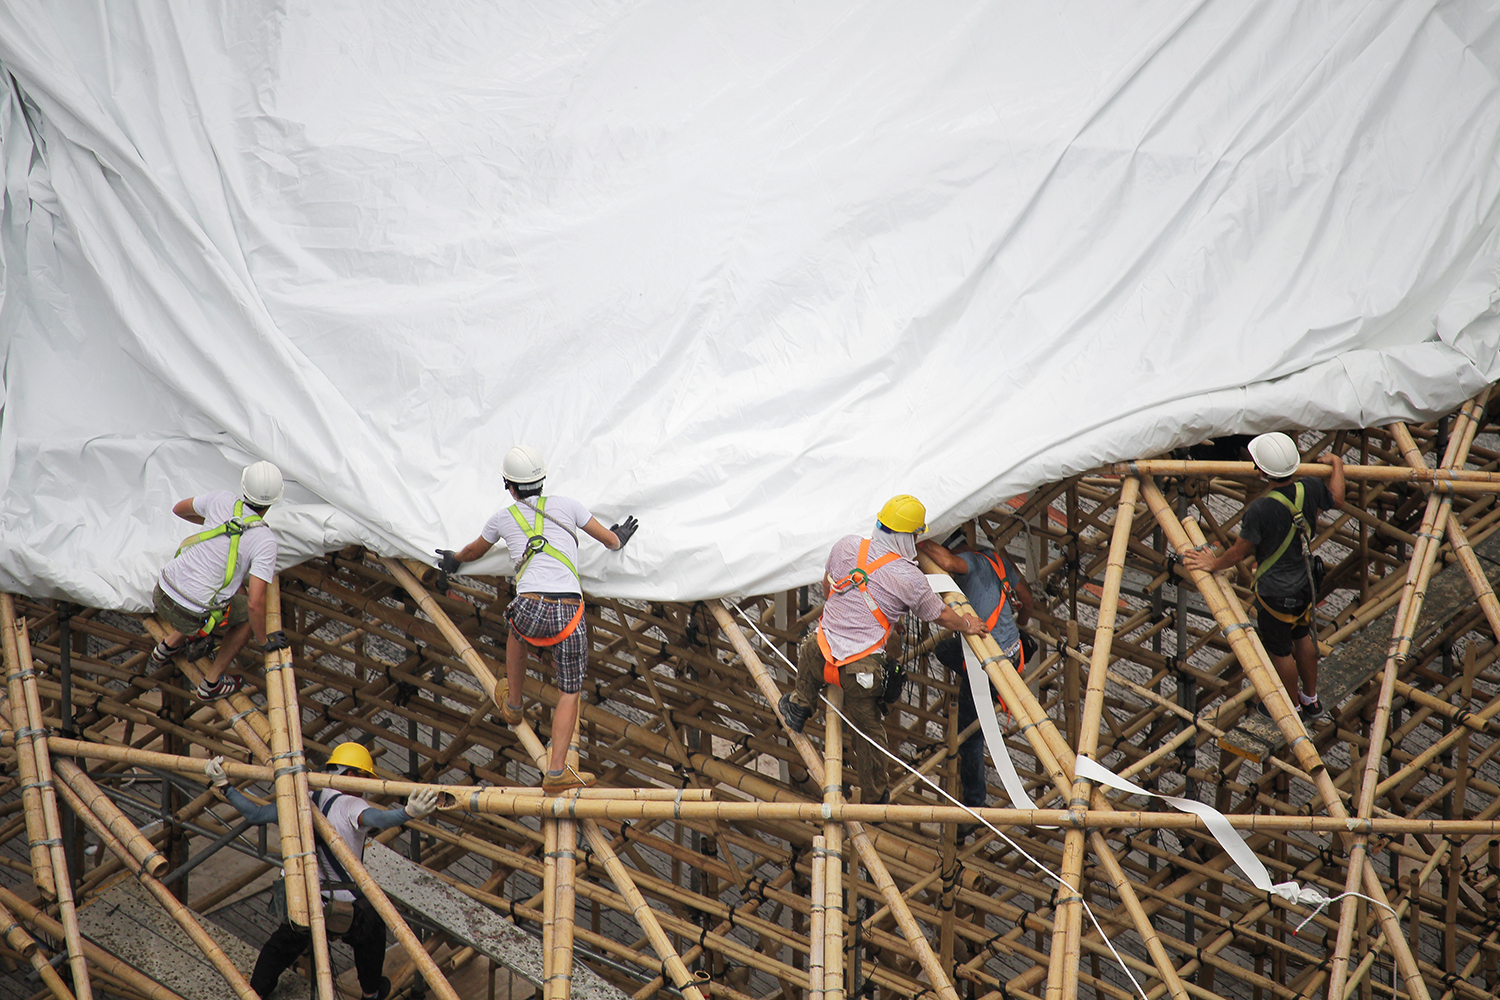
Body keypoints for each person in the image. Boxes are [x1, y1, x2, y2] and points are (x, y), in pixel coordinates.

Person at [435, 445, 638, 794]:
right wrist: (619, 536)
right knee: (569, 692)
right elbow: (610, 542)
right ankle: (556, 771)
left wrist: (454, 560)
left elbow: (473, 552)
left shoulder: (502, 519)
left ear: (508, 486)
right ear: (542, 481)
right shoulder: (568, 506)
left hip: (530, 604)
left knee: (517, 627)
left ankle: (514, 703)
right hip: (571, 612)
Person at [778, 495, 988, 804]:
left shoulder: (847, 545)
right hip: (860, 672)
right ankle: (874, 795)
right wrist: (968, 623)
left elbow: (828, 587)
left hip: (819, 650)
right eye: (916, 535)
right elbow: (941, 615)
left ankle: (800, 705)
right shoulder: (910, 578)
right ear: (907, 536)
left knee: (810, 652)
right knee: (869, 735)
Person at [206, 742, 439, 1000]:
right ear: (351, 775)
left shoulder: (304, 798)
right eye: (364, 778)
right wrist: (408, 813)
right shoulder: (352, 806)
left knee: (281, 946)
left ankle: (256, 991)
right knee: (372, 931)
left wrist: (225, 786)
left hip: (301, 896)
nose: (366, 787)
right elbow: (379, 819)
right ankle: (371, 992)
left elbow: (256, 814)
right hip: (340, 904)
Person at [1182, 432, 1345, 720]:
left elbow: (1239, 551)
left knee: (1281, 651)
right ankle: (1311, 699)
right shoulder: (1309, 487)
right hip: (1304, 584)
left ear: (1260, 469)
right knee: (1303, 639)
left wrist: (1213, 563)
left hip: (1274, 593)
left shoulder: (1261, 509)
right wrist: (1338, 465)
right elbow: (1337, 498)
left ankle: (1291, 706)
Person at [148, 461, 288, 701]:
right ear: (275, 500)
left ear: (244, 488)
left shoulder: (221, 499)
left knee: (212, 591)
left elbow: (179, 509)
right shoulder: (265, 541)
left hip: (162, 592)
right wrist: (265, 641)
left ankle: (168, 646)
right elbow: (255, 604)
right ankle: (211, 683)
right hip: (191, 613)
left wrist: (215, 529)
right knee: (248, 616)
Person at [917, 529, 1035, 811]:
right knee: (945, 649)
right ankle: (971, 672)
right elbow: (1026, 598)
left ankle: (973, 802)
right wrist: (1024, 625)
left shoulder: (968, 561)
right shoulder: (994, 558)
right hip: (1014, 650)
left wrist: (919, 543)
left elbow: (946, 563)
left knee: (970, 737)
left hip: (990, 663)